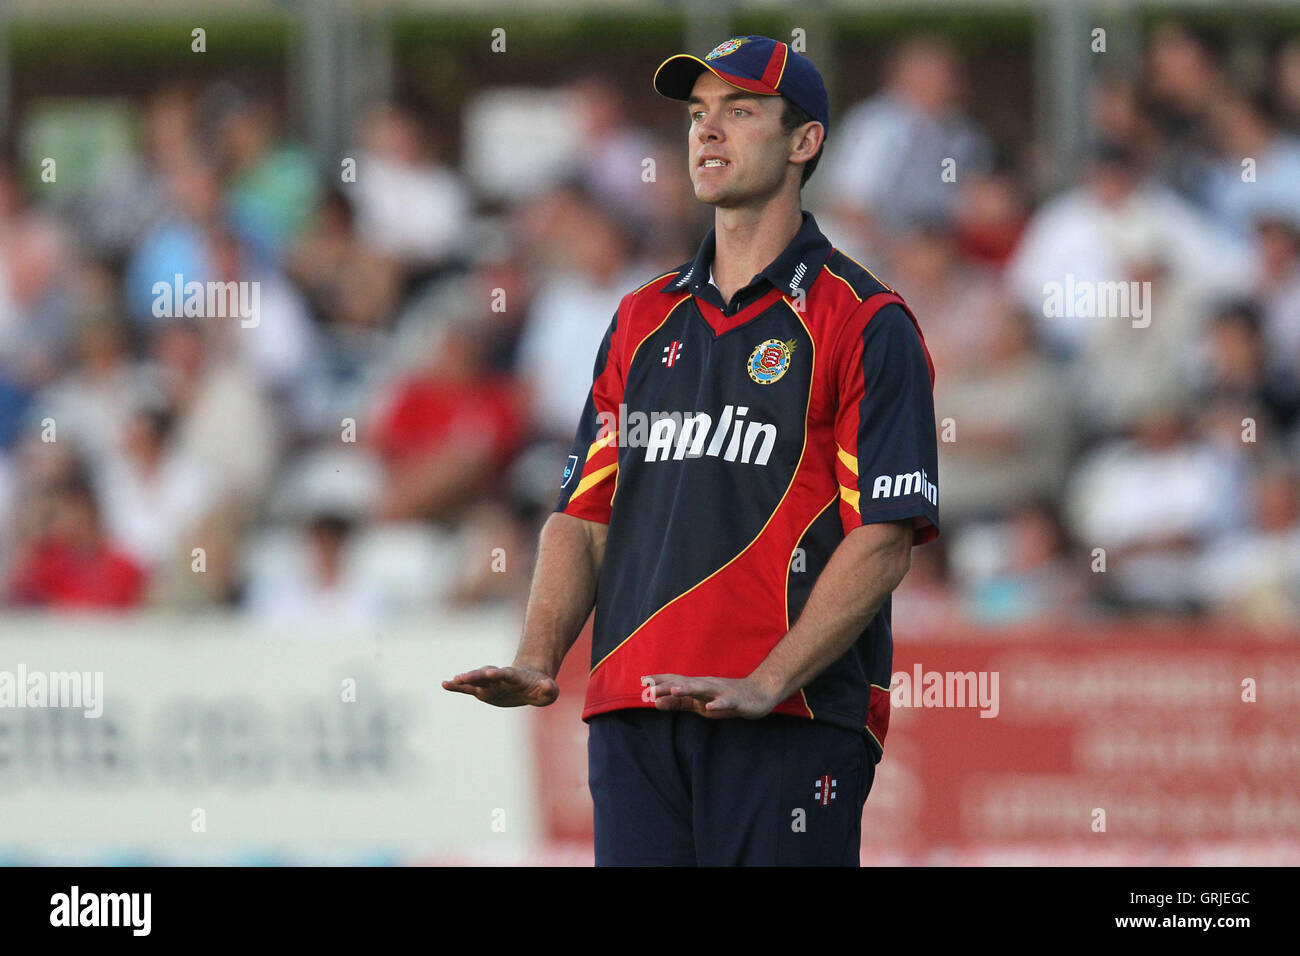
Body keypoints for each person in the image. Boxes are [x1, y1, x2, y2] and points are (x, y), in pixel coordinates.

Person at [444, 35, 940, 866]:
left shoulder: (864, 320)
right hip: (633, 712)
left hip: (789, 719)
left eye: (740, 112)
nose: (708, 132)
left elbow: (884, 537)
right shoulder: (639, 318)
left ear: (804, 141)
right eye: (698, 115)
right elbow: (583, 514)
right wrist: (539, 656)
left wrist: (769, 679)